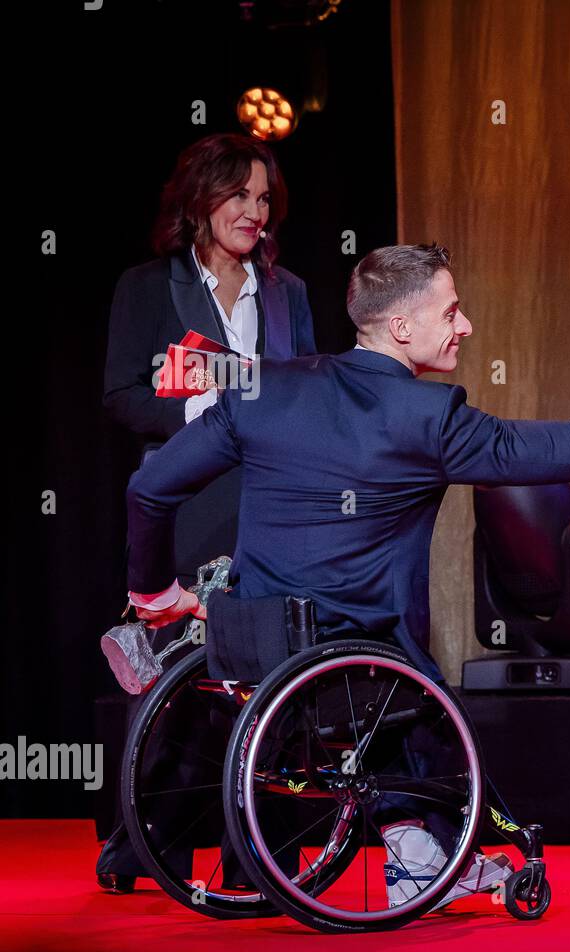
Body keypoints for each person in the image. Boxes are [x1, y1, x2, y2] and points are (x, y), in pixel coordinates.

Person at [123, 242, 570, 909]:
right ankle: (428, 842)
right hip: (367, 673)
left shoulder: (265, 388)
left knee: (373, 676)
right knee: (405, 689)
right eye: (453, 310)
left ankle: (414, 844)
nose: (464, 327)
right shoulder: (429, 418)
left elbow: (150, 491)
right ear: (402, 327)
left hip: (254, 654)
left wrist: (154, 593)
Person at [96, 133, 317, 893]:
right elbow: (122, 396)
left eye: (263, 199)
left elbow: (304, 395)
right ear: (199, 198)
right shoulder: (146, 285)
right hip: (183, 507)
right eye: (239, 196)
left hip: (268, 511)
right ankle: (144, 846)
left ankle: (261, 852)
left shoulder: (287, 293)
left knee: (267, 684)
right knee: (175, 688)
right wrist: (202, 406)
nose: (253, 211)